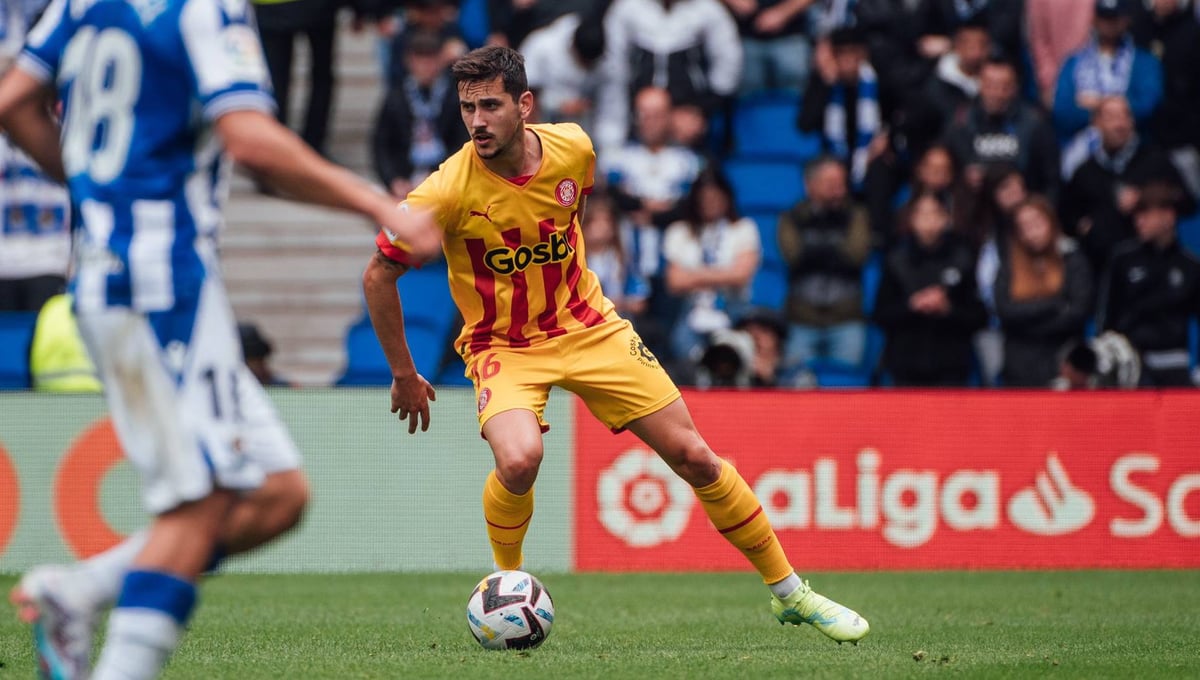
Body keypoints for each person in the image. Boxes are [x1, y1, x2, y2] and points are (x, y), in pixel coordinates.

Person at [363, 45, 868, 645]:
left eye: (491, 106)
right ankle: (506, 583)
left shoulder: (574, 149)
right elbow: (378, 273)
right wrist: (403, 372)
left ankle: (794, 595)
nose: (477, 121)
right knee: (520, 459)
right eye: (467, 107)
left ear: (524, 105)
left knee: (697, 458)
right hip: (507, 344)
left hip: (591, 327)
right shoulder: (445, 189)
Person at [0, 0, 441, 677]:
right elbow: (250, 141)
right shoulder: (206, 8)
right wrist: (380, 204)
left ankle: (78, 590)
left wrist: (93, 189)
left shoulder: (81, 4)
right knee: (201, 503)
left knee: (276, 495)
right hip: (160, 286)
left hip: (125, 278)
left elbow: (15, 99)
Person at [873, 192, 988, 386]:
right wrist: (912, 305)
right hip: (905, 364)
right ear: (911, 219)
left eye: (935, 213)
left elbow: (979, 316)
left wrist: (947, 308)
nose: (929, 220)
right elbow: (881, 314)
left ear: (946, 218)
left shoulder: (963, 258)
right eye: (922, 214)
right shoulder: (896, 260)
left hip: (952, 365)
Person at [776, 156, 871, 377]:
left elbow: (856, 255)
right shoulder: (792, 217)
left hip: (846, 319)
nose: (837, 190)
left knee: (847, 390)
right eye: (830, 183)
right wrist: (835, 247)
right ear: (810, 184)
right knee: (797, 385)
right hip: (801, 319)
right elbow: (794, 256)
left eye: (840, 183)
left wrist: (814, 246)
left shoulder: (856, 215)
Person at [1099, 181, 1200, 386]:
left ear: (1168, 216)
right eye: (1137, 215)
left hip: (1174, 361)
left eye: (1145, 215)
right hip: (1129, 360)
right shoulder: (1123, 259)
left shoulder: (1190, 266)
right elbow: (1107, 314)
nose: (1139, 222)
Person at [661, 168, 761, 368]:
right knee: (684, 360)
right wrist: (723, 273)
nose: (711, 203)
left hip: (733, 309)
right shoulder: (679, 232)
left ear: (727, 198)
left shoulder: (743, 229)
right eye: (705, 198)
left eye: (716, 197)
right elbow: (674, 282)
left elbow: (741, 275)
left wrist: (694, 275)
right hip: (691, 312)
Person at [993, 197, 1094, 387]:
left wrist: (1027, 321)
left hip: (1063, 361)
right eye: (1024, 227)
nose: (1032, 233)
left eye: (1037, 223)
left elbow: (1078, 311)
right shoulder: (1009, 265)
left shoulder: (1072, 259)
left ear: (1051, 221)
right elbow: (1005, 310)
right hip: (1020, 367)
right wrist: (1054, 305)